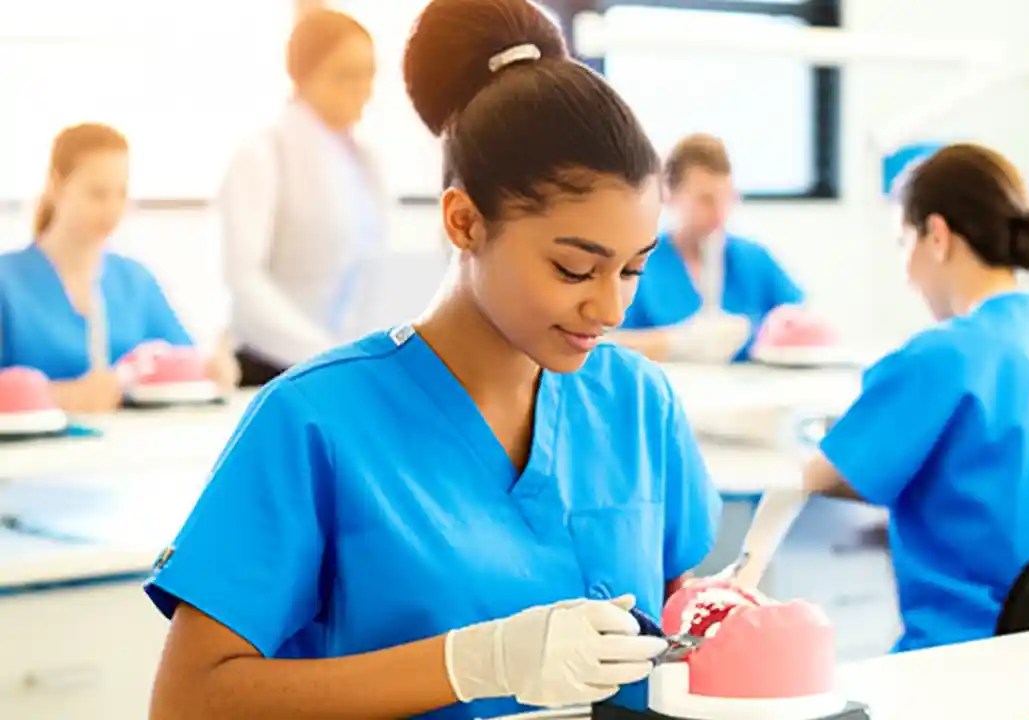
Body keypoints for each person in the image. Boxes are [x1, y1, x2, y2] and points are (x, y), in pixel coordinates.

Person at [145, 1, 721, 718]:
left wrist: (736, 624)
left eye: (633, 270)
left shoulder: (637, 403)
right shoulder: (316, 422)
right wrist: (473, 663)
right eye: (576, 269)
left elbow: (681, 618)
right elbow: (189, 701)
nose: (610, 310)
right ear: (464, 221)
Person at [729, 144, 1029, 653]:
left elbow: (823, 474)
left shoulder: (940, 358)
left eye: (903, 243)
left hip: (963, 665)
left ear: (937, 236)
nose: (906, 273)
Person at [0, 124, 239, 413]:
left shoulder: (135, 281)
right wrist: (59, 398)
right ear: (56, 185)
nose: (112, 208)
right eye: (97, 194)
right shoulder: (8, 283)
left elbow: (183, 362)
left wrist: (213, 370)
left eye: (121, 193)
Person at [220, 9, 391, 387]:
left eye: (370, 74)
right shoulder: (263, 154)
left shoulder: (367, 164)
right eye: (346, 75)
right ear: (302, 76)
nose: (363, 89)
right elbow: (244, 278)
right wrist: (321, 353)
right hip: (273, 367)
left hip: (347, 367)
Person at [611, 133, 805, 363]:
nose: (719, 212)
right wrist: (678, 343)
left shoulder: (753, 260)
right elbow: (606, 345)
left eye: (726, 198)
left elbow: (802, 325)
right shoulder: (642, 263)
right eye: (705, 200)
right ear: (670, 194)